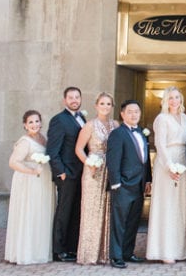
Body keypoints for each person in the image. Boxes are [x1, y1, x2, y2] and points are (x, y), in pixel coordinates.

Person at [146, 86, 186, 264]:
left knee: (180, 205)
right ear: (165, 101)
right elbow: (160, 145)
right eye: (170, 98)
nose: (174, 101)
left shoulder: (185, 118)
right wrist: (169, 166)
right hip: (167, 163)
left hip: (183, 161)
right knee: (167, 205)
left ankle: (180, 249)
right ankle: (164, 251)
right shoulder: (161, 118)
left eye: (177, 97)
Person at [5, 110, 55, 265]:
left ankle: (39, 252)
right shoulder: (25, 142)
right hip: (29, 181)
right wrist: (32, 171)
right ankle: (25, 253)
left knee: (42, 214)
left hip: (43, 181)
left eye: (37, 121)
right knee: (29, 213)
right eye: (31, 122)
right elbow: (13, 162)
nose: (35, 125)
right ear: (25, 125)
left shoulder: (43, 138)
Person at [106, 100, 152, 269]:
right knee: (119, 222)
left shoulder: (141, 132)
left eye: (137, 112)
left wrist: (148, 179)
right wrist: (116, 183)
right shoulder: (117, 134)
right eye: (130, 112)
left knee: (133, 221)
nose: (134, 115)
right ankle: (116, 256)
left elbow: (144, 161)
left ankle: (127, 252)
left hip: (139, 185)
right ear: (122, 114)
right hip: (123, 185)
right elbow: (113, 160)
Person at [75, 92, 118, 265]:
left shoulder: (115, 124)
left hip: (111, 169)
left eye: (108, 104)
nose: (105, 107)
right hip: (94, 170)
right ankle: (89, 254)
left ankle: (105, 253)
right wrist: (89, 163)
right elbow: (79, 149)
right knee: (92, 210)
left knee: (108, 210)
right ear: (96, 105)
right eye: (102, 103)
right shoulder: (90, 125)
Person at [46, 86, 85, 263]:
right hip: (67, 174)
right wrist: (60, 172)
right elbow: (52, 151)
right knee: (63, 212)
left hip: (81, 174)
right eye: (71, 97)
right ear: (65, 100)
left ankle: (71, 248)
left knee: (75, 211)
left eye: (77, 97)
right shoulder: (58, 120)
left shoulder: (82, 118)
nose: (74, 100)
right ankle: (58, 249)